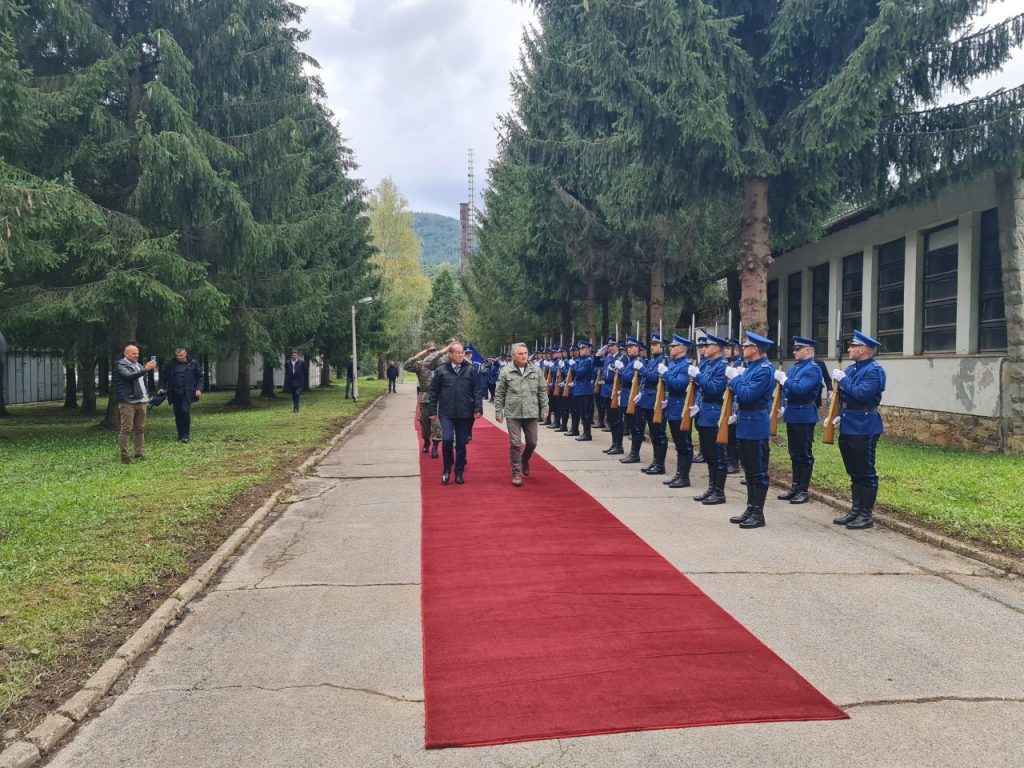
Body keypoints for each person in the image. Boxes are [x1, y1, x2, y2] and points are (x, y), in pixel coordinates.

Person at [831, 330, 886, 530]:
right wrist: (838, 412)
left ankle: (866, 514)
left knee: (866, 471)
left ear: (863, 349)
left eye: (853, 346)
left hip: (864, 425)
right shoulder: (853, 369)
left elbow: (861, 394)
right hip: (849, 423)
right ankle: (855, 510)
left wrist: (843, 380)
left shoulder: (874, 370)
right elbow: (845, 396)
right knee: (853, 470)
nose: (849, 349)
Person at [727, 331, 776, 529]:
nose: (743, 349)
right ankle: (750, 507)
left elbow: (747, 394)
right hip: (746, 421)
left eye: (746, 346)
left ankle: (758, 513)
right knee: (748, 469)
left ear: (755, 349)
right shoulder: (751, 368)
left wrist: (735, 380)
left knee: (758, 471)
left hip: (756, 423)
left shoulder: (764, 369)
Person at [776, 337, 824, 504]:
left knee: (804, 454)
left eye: (798, 349)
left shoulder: (813, 369)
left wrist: (785, 381)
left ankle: (803, 490)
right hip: (793, 414)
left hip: (804, 414)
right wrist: (781, 404)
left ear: (808, 351)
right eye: (794, 349)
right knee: (794, 453)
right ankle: (795, 486)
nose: (794, 352)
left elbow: (801, 390)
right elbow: (786, 392)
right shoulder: (795, 368)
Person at [428, 341, 483, 485]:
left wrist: (478, 408)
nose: (460, 355)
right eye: (458, 353)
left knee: (461, 444)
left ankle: (459, 472)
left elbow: (477, 391)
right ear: (450, 354)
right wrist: (432, 411)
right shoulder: (441, 371)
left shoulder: (470, 369)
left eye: (462, 352)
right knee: (446, 440)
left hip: (465, 413)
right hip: (446, 413)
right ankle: (446, 470)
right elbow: (433, 392)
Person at [494, 343, 548, 486]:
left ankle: (524, 460)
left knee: (532, 442)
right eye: (520, 354)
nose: (524, 356)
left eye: (525, 353)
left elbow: (542, 391)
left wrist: (545, 409)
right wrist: (498, 411)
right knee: (515, 443)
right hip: (513, 412)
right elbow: (499, 393)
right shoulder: (506, 371)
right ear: (513, 356)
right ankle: (516, 473)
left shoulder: (536, 370)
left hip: (531, 412)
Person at [690, 334, 729, 505]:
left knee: (718, 454)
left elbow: (714, 388)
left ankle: (719, 492)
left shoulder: (722, 366)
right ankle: (712, 487)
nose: (704, 349)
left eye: (708, 346)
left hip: (715, 411)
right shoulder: (709, 364)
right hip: (705, 411)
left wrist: (698, 376)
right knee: (709, 453)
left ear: (717, 348)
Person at [113, 343, 158, 464]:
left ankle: (139, 453)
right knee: (126, 429)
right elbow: (129, 377)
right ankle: (125, 456)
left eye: (137, 353)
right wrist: (145, 369)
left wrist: (145, 396)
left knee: (140, 429)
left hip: (141, 401)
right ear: (125, 353)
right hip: (128, 402)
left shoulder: (138, 365)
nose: (136, 355)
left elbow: (141, 382)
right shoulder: (120, 365)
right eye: (134, 353)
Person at [662, 334, 694, 488]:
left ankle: (684, 477)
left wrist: (665, 373)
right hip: (673, 406)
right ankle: (679, 474)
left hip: (682, 406)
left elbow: (678, 385)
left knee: (684, 443)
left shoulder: (686, 365)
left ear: (682, 348)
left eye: (674, 346)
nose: (671, 349)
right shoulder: (675, 364)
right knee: (678, 443)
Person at [637, 333, 668, 475]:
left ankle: (660, 464)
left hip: (656, 400)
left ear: (662, 347)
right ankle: (655, 461)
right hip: (648, 399)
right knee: (653, 434)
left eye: (655, 345)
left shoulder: (663, 361)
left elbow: (654, 377)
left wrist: (641, 369)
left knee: (659, 433)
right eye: (651, 345)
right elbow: (645, 381)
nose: (652, 347)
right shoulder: (653, 360)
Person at [404, 344, 443, 455]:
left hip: (439, 398)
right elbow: (407, 365)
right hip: (425, 398)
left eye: (435, 351)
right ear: (427, 353)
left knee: (437, 423)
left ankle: (435, 446)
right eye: (430, 351)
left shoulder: (441, 365)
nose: (433, 353)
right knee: (424, 422)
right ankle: (426, 441)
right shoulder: (421, 365)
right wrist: (419, 354)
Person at [158, 347, 202, 443]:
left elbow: (200, 377)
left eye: (181, 355)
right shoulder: (171, 364)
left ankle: (186, 435)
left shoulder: (193, 363)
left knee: (185, 411)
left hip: (188, 392)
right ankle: (180, 434)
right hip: (174, 392)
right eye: (177, 355)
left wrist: (198, 389)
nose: (179, 357)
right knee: (178, 414)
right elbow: (164, 377)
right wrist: (162, 387)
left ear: (185, 354)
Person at [568, 339, 596, 441]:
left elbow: (580, 373)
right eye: (580, 349)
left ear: (588, 350)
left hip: (585, 390)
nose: (581, 350)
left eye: (583, 348)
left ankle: (587, 434)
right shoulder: (582, 360)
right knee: (581, 412)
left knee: (586, 413)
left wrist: (573, 365)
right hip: (579, 390)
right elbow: (577, 376)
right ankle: (584, 432)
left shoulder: (588, 361)